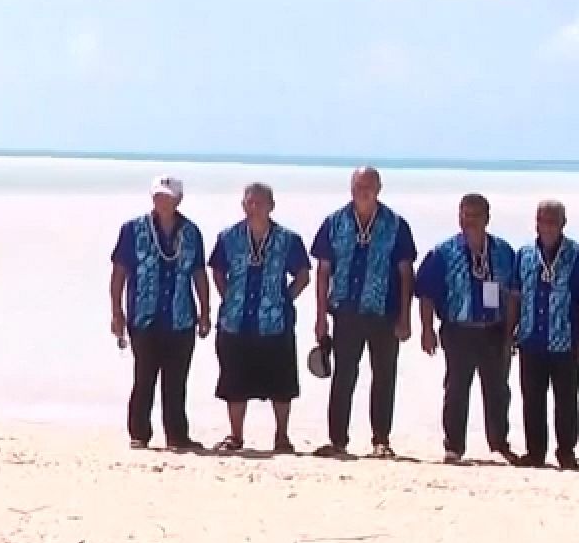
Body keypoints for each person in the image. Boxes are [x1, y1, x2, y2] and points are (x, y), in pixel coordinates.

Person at [309, 167, 417, 459]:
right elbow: (323, 272)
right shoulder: (334, 223)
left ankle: (381, 440)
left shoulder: (396, 225)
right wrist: (320, 317)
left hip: (385, 313)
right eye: (358, 184)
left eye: (369, 185)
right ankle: (337, 440)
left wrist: (406, 317)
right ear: (351, 187)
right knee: (343, 376)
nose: (363, 190)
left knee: (384, 376)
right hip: (345, 312)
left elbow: (406, 273)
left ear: (379, 188)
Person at [415, 193, 520, 464]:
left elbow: (514, 294)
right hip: (457, 329)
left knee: (498, 390)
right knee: (456, 389)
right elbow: (425, 292)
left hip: (493, 331)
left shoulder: (503, 252)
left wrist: (510, 332)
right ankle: (454, 446)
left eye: (474, 215)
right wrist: (426, 329)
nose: (468, 220)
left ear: (487, 218)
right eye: (464, 214)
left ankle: (499, 444)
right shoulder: (443, 252)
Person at [208, 183, 311, 453]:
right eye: (249, 202)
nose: (254, 208)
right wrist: (228, 297)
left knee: (282, 382)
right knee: (234, 381)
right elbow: (217, 271)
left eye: (260, 203)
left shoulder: (289, 239)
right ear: (243, 205)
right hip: (235, 321)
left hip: (275, 324)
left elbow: (303, 275)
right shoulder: (228, 237)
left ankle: (282, 437)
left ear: (271, 206)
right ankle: (235, 435)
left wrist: (284, 299)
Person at [109, 176, 211, 451]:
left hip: (181, 318)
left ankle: (177, 435)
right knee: (144, 377)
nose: (161, 201)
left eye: (167, 196)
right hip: (144, 317)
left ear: (178, 199)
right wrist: (116, 312)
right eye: (157, 196)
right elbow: (119, 272)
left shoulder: (191, 232)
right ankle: (139, 433)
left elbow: (199, 273)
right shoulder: (132, 229)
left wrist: (205, 311)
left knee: (176, 381)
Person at [513, 200, 579, 469]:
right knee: (532, 398)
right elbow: (516, 295)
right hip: (530, 338)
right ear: (535, 222)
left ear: (563, 223)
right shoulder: (523, 254)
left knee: (566, 400)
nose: (546, 226)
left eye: (552, 221)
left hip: (564, 339)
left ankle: (566, 452)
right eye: (542, 220)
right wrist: (510, 330)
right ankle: (535, 452)